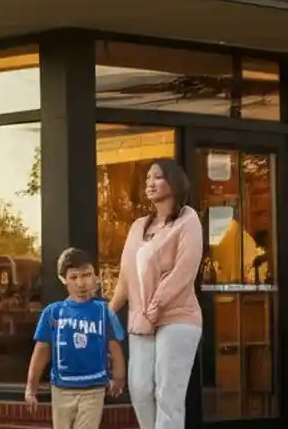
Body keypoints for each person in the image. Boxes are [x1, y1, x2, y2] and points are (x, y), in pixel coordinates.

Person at [108, 159, 204, 429]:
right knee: (139, 389)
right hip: (142, 320)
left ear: (174, 183)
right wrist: (109, 310)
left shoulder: (188, 219)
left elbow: (184, 271)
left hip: (178, 317)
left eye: (158, 177)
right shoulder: (138, 226)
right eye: (148, 178)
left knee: (167, 393)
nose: (150, 183)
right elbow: (126, 275)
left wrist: (156, 305)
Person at [25, 247, 126, 429]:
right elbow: (41, 352)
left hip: (93, 389)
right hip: (62, 389)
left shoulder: (104, 312)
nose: (81, 283)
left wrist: (118, 377)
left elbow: (114, 347)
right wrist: (31, 388)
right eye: (74, 277)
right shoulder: (53, 312)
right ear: (64, 280)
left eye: (86, 275)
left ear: (95, 276)